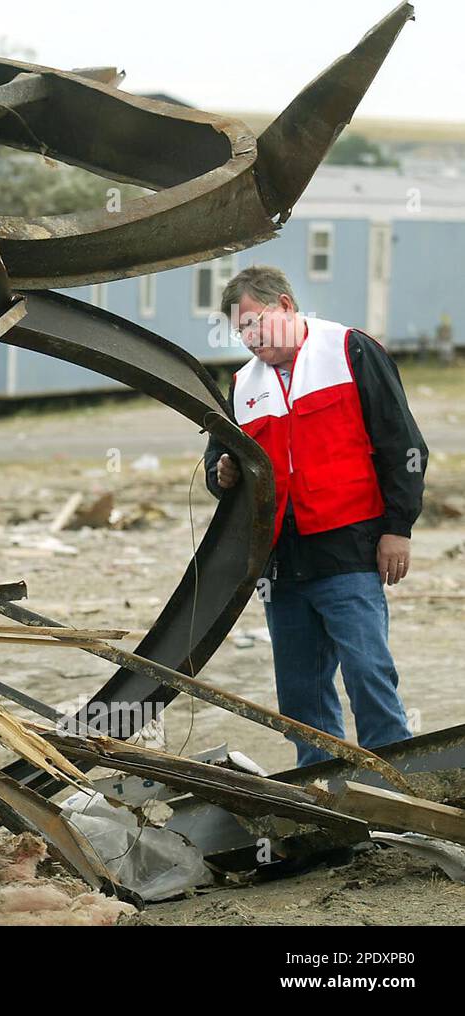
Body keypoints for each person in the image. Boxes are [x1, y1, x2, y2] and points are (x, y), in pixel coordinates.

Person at [204, 265, 427, 766]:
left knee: (368, 672)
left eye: (256, 322)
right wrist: (223, 475)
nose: (250, 337)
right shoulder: (242, 386)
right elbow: (217, 468)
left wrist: (398, 529)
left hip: (348, 548)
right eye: (240, 330)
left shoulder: (349, 351)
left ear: (285, 306)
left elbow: (403, 445)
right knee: (302, 691)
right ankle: (322, 788)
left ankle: (398, 784)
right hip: (281, 562)